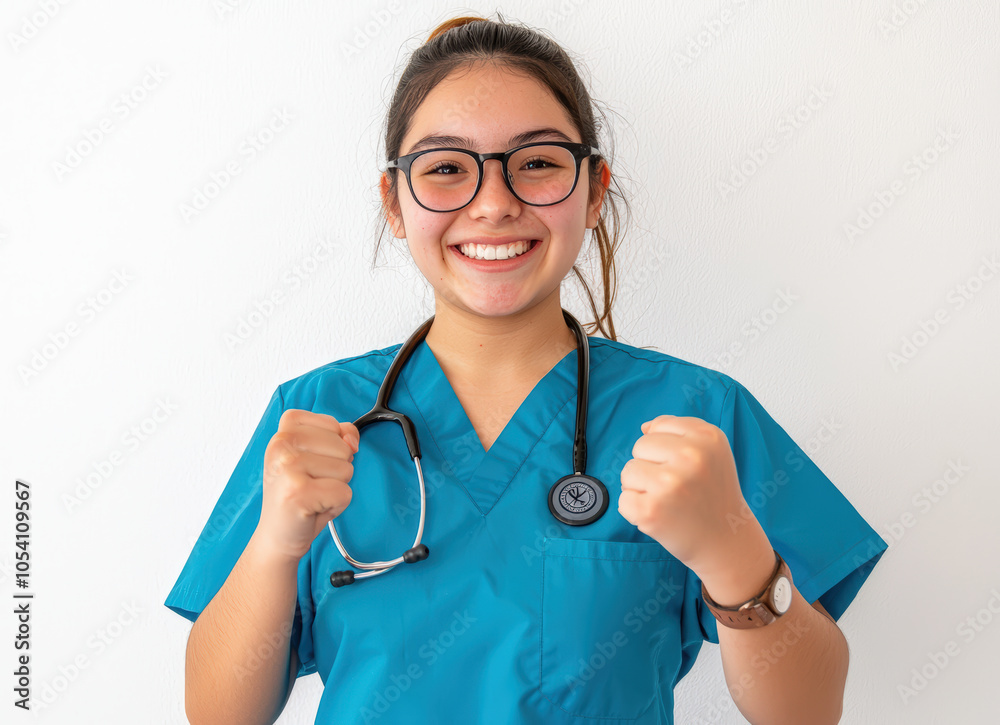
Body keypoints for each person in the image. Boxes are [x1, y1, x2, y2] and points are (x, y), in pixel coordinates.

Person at [165, 14, 887, 725]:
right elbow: (218, 713)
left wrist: (736, 555)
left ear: (595, 189)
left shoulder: (698, 412)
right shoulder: (317, 414)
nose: (494, 204)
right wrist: (275, 543)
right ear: (394, 201)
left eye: (537, 163)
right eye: (447, 169)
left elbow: (808, 711)